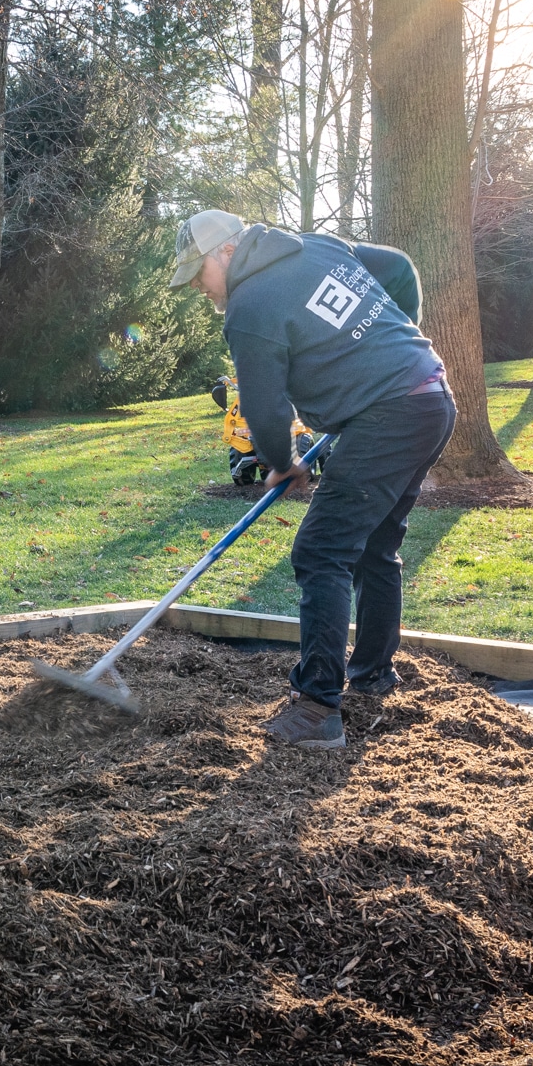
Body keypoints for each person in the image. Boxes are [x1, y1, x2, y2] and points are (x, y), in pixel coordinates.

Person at [171, 209, 455, 750]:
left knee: (320, 551)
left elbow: (263, 404)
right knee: (373, 544)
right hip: (430, 399)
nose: (199, 290)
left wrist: (280, 462)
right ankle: (371, 674)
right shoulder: (317, 246)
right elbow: (395, 267)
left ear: (227, 253)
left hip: (392, 413)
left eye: (198, 275)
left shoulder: (249, 306)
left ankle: (317, 708)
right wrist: (403, 342)